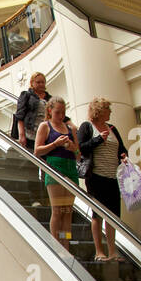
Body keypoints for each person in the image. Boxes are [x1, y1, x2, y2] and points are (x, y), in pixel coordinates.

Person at [77, 98, 129, 262]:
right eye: (108, 109)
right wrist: (98, 139)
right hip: (96, 176)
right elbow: (80, 148)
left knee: (113, 215)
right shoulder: (87, 127)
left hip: (113, 177)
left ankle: (113, 251)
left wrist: (124, 156)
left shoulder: (112, 128)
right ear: (99, 111)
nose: (110, 112)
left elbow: (122, 148)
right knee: (97, 214)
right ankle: (99, 251)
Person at [35, 97, 80, 252]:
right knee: (57, 210)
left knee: (67, 212)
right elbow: (37, 151)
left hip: (70, 169)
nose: (60, 116)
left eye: (63, 113)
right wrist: (55, 144)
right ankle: (56, 247)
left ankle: (65, 246)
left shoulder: (71, 128)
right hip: (55, 168)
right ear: (50, 111)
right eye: (57, 112)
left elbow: (79, 155)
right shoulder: (45, 126)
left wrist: (73, 148)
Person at [13, 72, 50, 149]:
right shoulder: (26, 95)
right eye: (38, 82)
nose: (41, 84)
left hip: (46, 136)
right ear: (32, 83)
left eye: (43, 82)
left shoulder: (49, 98)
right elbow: (20, 116)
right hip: (30, 134)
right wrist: (21, 135)